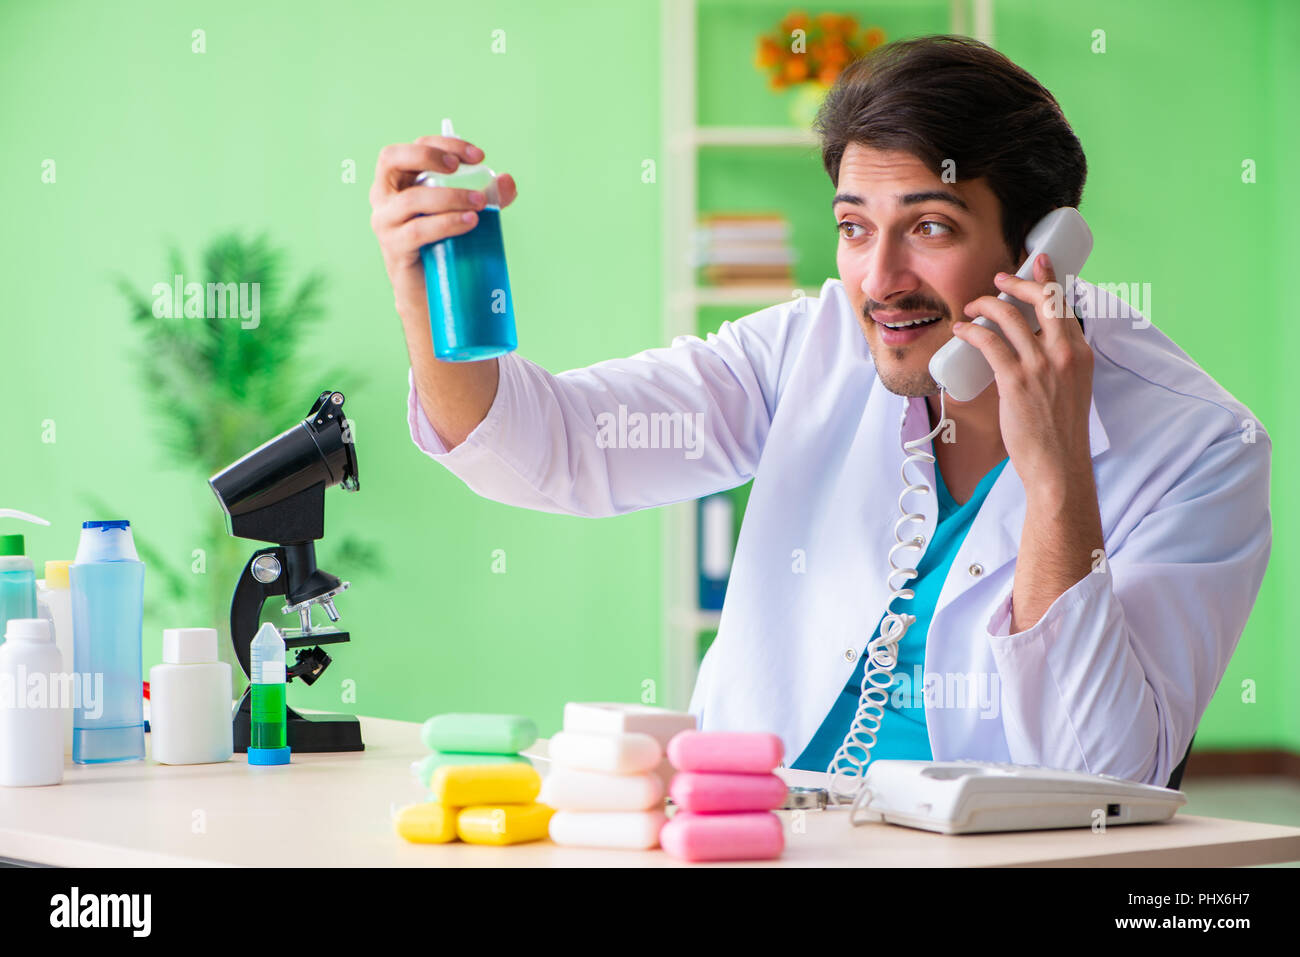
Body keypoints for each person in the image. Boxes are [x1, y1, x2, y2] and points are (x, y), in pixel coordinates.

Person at [368, 35, 1270, 788]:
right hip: (751, 835)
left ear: (1043, 252)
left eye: (931, 227)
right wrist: (425, 298)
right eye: (853, 226)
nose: (878, 280)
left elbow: (1099, 779)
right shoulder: (808, 348)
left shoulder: (1202, 448)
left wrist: (1057, 470)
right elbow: (557, 450)